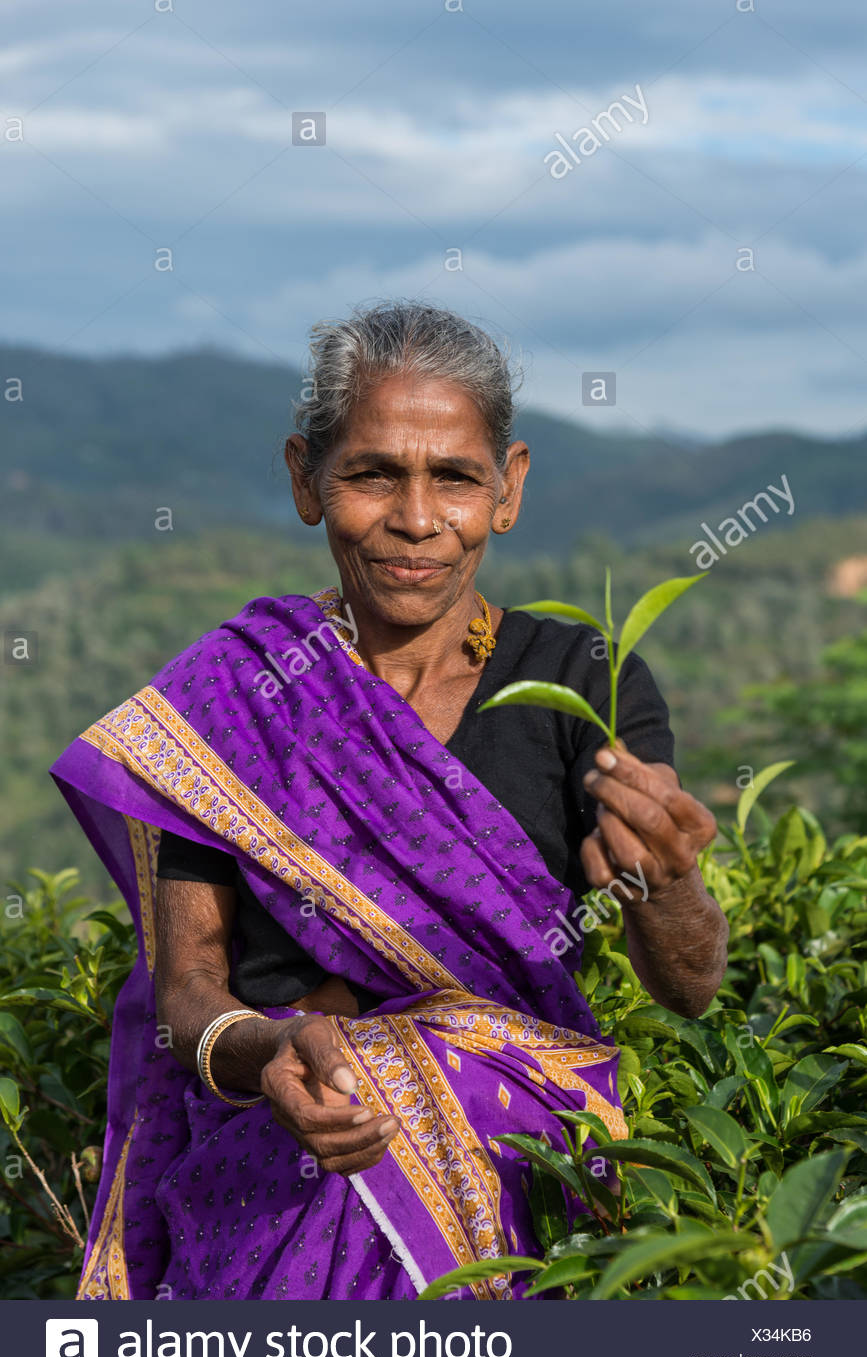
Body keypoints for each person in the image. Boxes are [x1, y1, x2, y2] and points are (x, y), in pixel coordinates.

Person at [51, 301, 728, 1302]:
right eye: (373, 473)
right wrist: (266, 1051)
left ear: (508, 488)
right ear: (306, 480)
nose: (416, 519)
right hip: (273, 1168)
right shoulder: (234, 700)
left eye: (454, 476)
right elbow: (186, 985)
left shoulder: (583, 679)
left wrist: (664, 883)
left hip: (506, 1176)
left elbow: (690, 984)